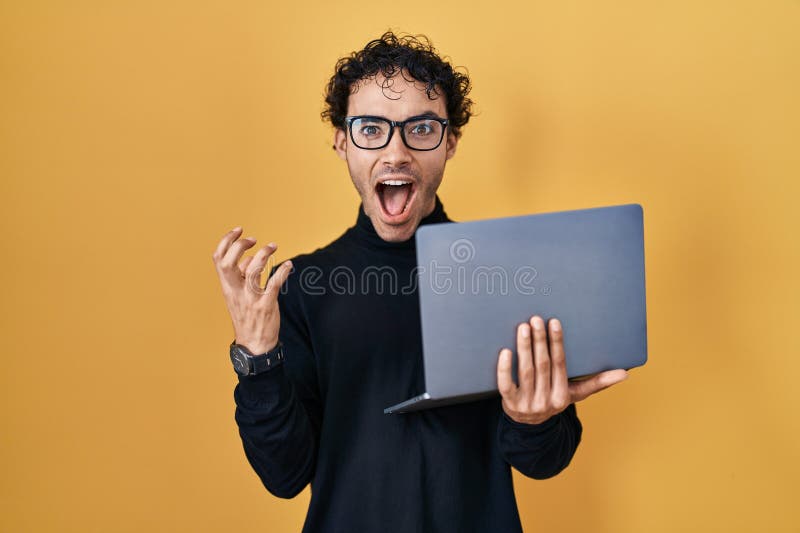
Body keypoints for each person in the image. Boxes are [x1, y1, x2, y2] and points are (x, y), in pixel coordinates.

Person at [212, 31, 628, 533]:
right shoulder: (302, 288)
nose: (396, 152)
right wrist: (257, 357)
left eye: (421, 129)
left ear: (449, 141)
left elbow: (544, 461)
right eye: (371, 129)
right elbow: (285, 475)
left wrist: (532, 420)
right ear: (342, 141)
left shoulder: (504, 272)